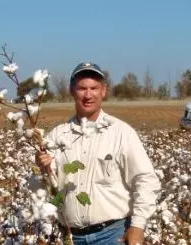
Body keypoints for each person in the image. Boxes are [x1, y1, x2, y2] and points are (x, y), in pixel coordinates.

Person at [37, 62, 160, 245]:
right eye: (82, 88)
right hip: (69, 237)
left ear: (104, 91)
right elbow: (47, 190)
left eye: (94, 88)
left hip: (112, 235)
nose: (88, 95)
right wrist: (42, 169)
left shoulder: (121, 133)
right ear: (72, 91)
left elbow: (145, 180)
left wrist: (138, 226)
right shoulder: (57, 136)